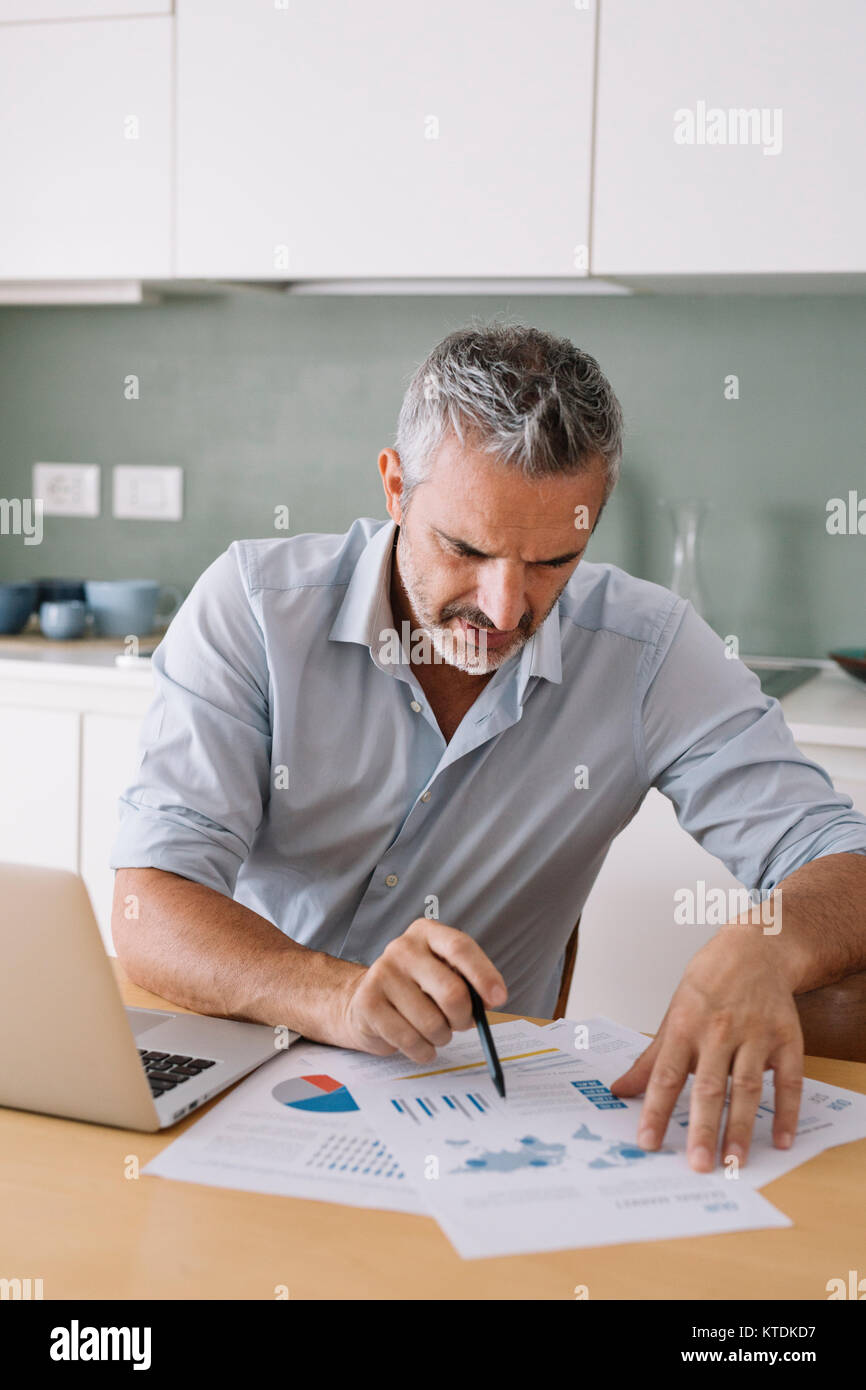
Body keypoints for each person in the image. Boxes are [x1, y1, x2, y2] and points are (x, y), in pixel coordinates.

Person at [110, 323, 866, 1172]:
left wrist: (766, 942)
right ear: (396, 487)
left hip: (479, 1125)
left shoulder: (647, 650)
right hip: (245, 1076)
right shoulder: (253, 608)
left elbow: (843, 857)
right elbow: (149, 908)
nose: (504, 610)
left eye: (554, 560)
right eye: (465, 549)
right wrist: (341, 996)